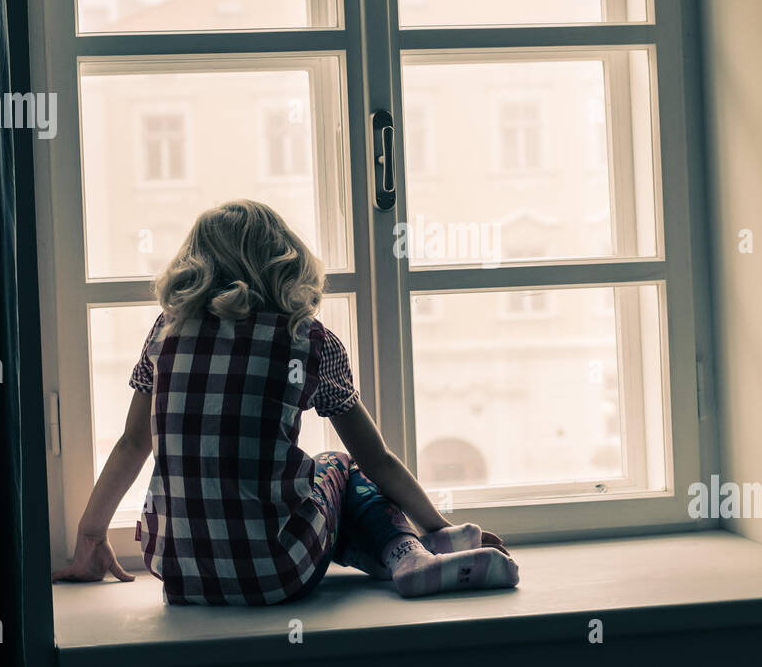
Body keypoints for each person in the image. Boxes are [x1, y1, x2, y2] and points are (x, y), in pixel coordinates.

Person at [53, 199, 519, 605]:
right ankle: (414, 552)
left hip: (179, 573)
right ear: (284, 259)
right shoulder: (308, 339)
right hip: (278, 574)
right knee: (336, 464)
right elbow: (374, 457)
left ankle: (404, 556)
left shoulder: (165, 331)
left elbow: (133, 444)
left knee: (311, 496)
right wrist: (435, 523)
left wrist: (92, 536)